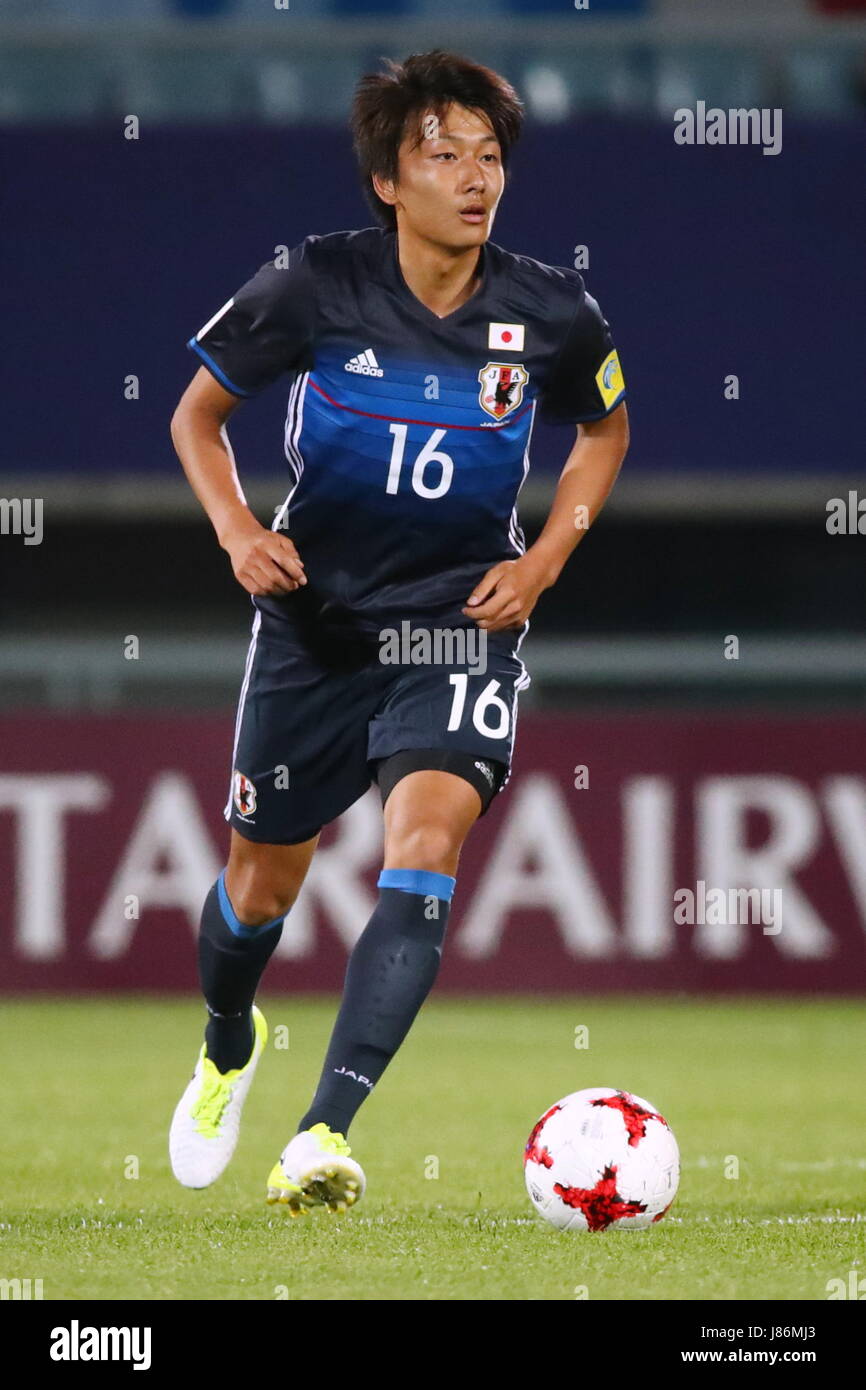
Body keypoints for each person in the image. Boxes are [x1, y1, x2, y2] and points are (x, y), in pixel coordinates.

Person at [168, 49, 629, 1214]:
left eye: (488, 157)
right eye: (442, 155)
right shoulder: (311, 286)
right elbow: (199, 414)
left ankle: (321, 1131)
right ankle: (228, 1041)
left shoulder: (549, 310)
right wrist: (234, 531)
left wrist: (542, 559)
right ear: (386, 179)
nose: (473, 179)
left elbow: (604, 430)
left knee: (423, 845)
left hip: (457, 626)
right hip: (315, 626)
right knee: (259, 887)